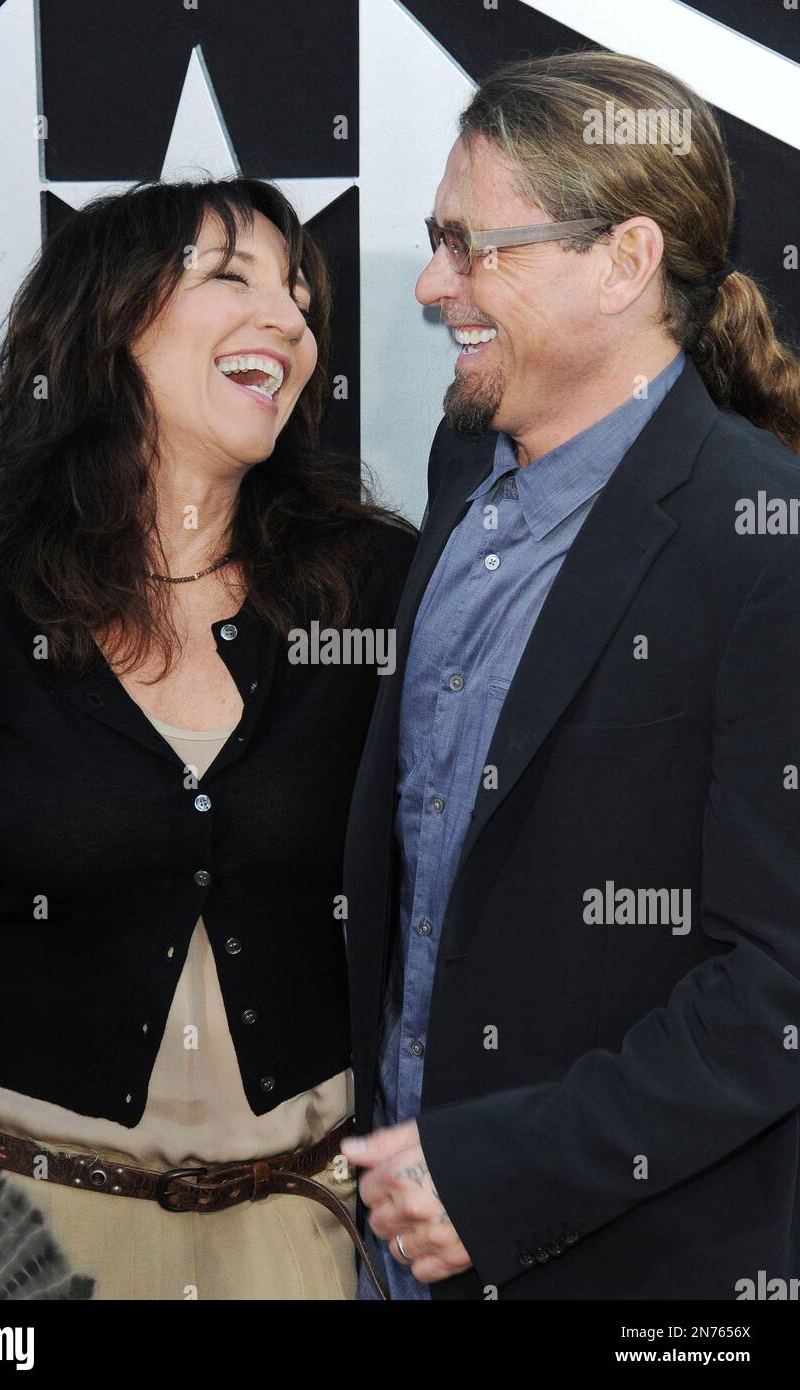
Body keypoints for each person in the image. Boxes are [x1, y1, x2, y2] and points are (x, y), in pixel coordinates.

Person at [0, 176, 414, 1300]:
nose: (289, 320)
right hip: (7, 1248)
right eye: (232, 278)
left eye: (300, 297)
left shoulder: (370, 587)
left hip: (296, 1243)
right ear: (110, 316)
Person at [341, 51, 800, 1300]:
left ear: (622, 259)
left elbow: (777, 993)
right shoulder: (458, 466)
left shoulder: (760, 542)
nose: (434, 285)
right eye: (435, 242)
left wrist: (495, 1175)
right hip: (391, 1250)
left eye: (470, 244)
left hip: (620, 1268)